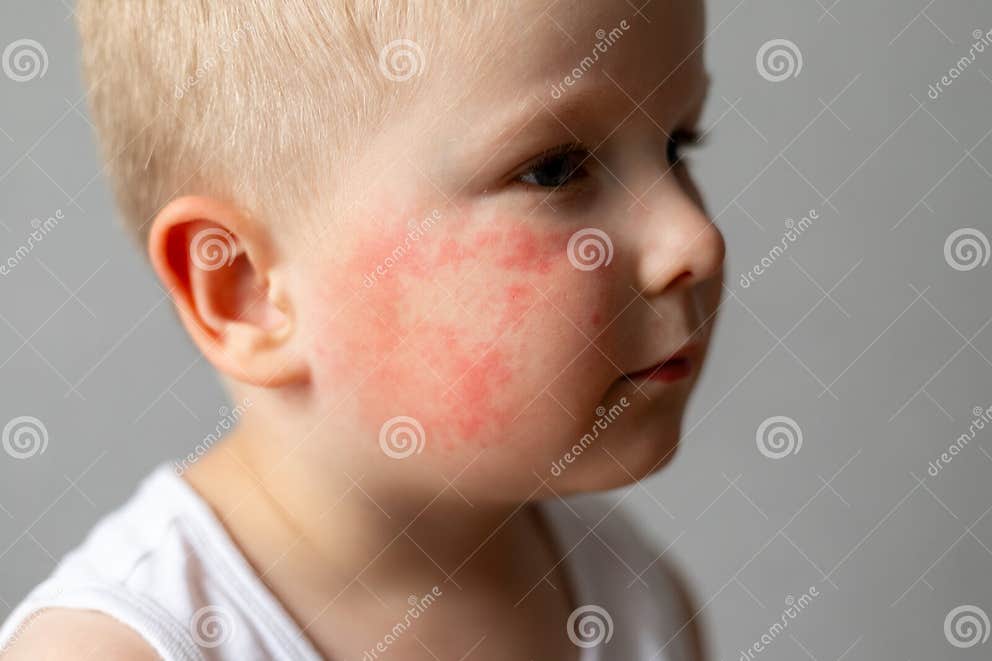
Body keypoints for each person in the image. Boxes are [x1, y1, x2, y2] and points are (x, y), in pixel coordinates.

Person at [0, 0, 725, 658]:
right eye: (554, 170)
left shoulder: (633, 597)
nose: (696, 238)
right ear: (246, 289)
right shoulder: (115, 650)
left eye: (677, 145)